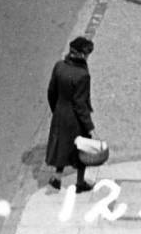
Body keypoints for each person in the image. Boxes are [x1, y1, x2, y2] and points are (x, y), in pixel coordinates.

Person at [44, 36, 96, 193]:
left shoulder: (59, 67)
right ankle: (80, 183)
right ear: (81, 55)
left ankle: (56, 178)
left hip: (60, 113)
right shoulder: (82, 75)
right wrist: (90, 127)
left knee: (61, 145)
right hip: (75, 119)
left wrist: (57, 110)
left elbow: (51, 91)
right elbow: (80, 104)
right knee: (82, 149)